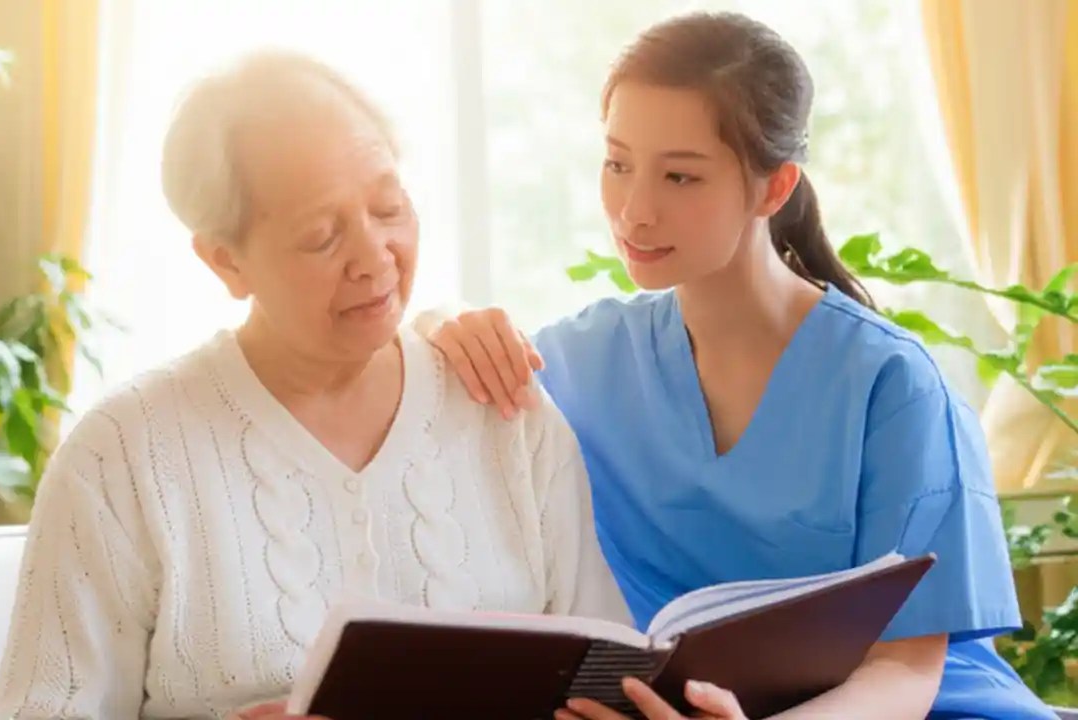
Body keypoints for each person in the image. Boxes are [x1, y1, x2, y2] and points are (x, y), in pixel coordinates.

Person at [420, 11, 1054, 720]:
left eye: (680, 178)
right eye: (618, 164)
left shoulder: (892, 386)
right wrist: (440, 321)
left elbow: (904, 675)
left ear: (774, 188)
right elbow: (422, 388)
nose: (634, 212)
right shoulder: (582, 362)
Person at [0, 51, 631, 720]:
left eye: (389, 208)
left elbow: (610, 678)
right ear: (225, 260)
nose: (374, 257)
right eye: (322, 237)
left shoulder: (504, 409)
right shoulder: (122, 456)